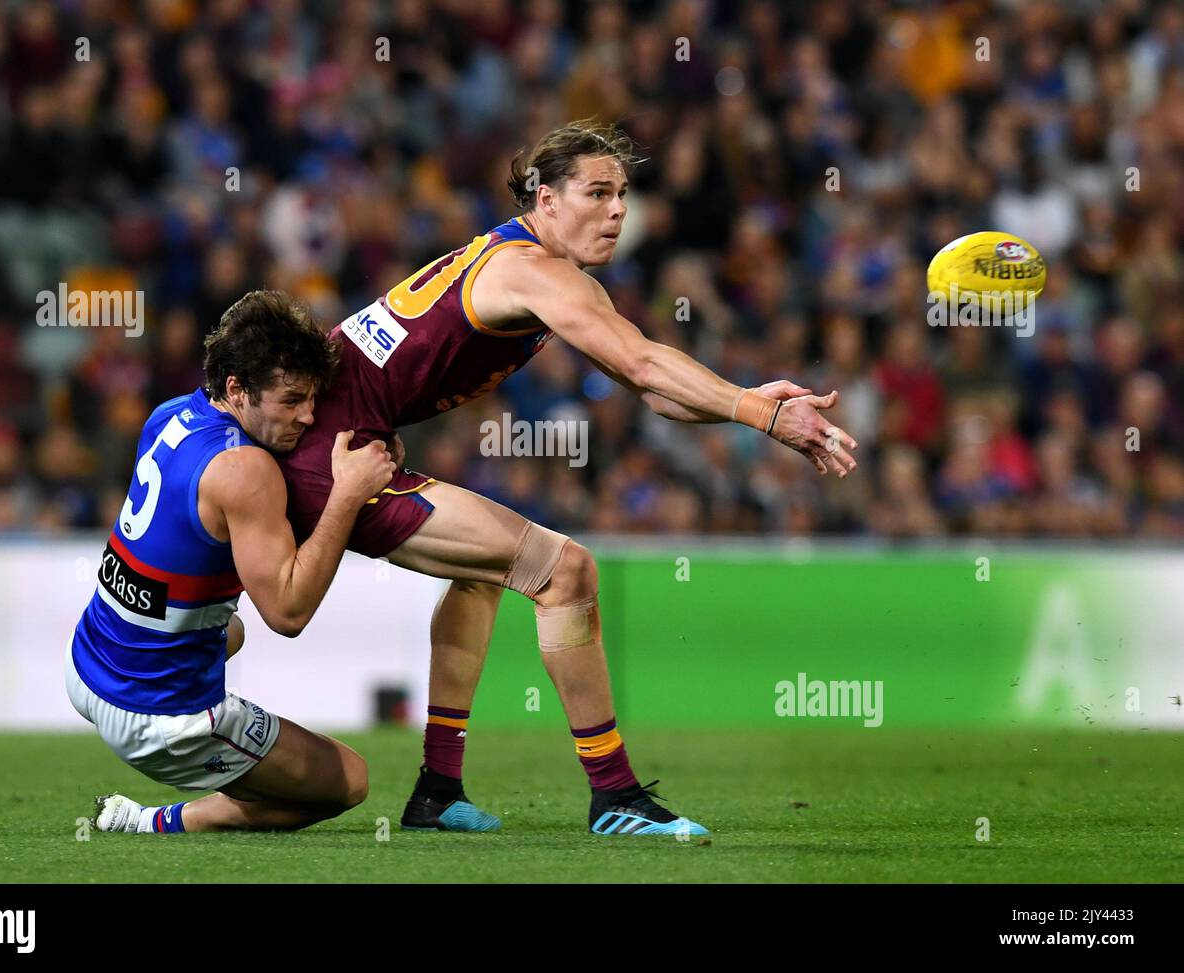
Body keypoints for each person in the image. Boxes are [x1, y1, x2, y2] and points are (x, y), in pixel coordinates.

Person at [277, 120, 859, 837]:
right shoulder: (531, 272)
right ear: (546, 199)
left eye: (623, 194)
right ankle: (614, 794)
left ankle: (437, 790)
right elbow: (644, 364)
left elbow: (650, 388)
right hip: (332, 461)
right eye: (597, 193)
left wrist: (747, 402)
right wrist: (763, 416)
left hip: (339, 445)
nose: (618, 211)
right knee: (565, 571)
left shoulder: (539, 269)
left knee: (481, 577)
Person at [69, 290, 397, 834]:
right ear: (238, 389)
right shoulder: (245, 470)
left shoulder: (168, 414)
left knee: (232, 630)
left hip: (87, 662)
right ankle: (151, 822)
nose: (308, 415)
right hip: (159, 715)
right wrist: (348, 495)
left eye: (313, 398)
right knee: (348, 780)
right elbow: (288, 613)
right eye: (291, 400)